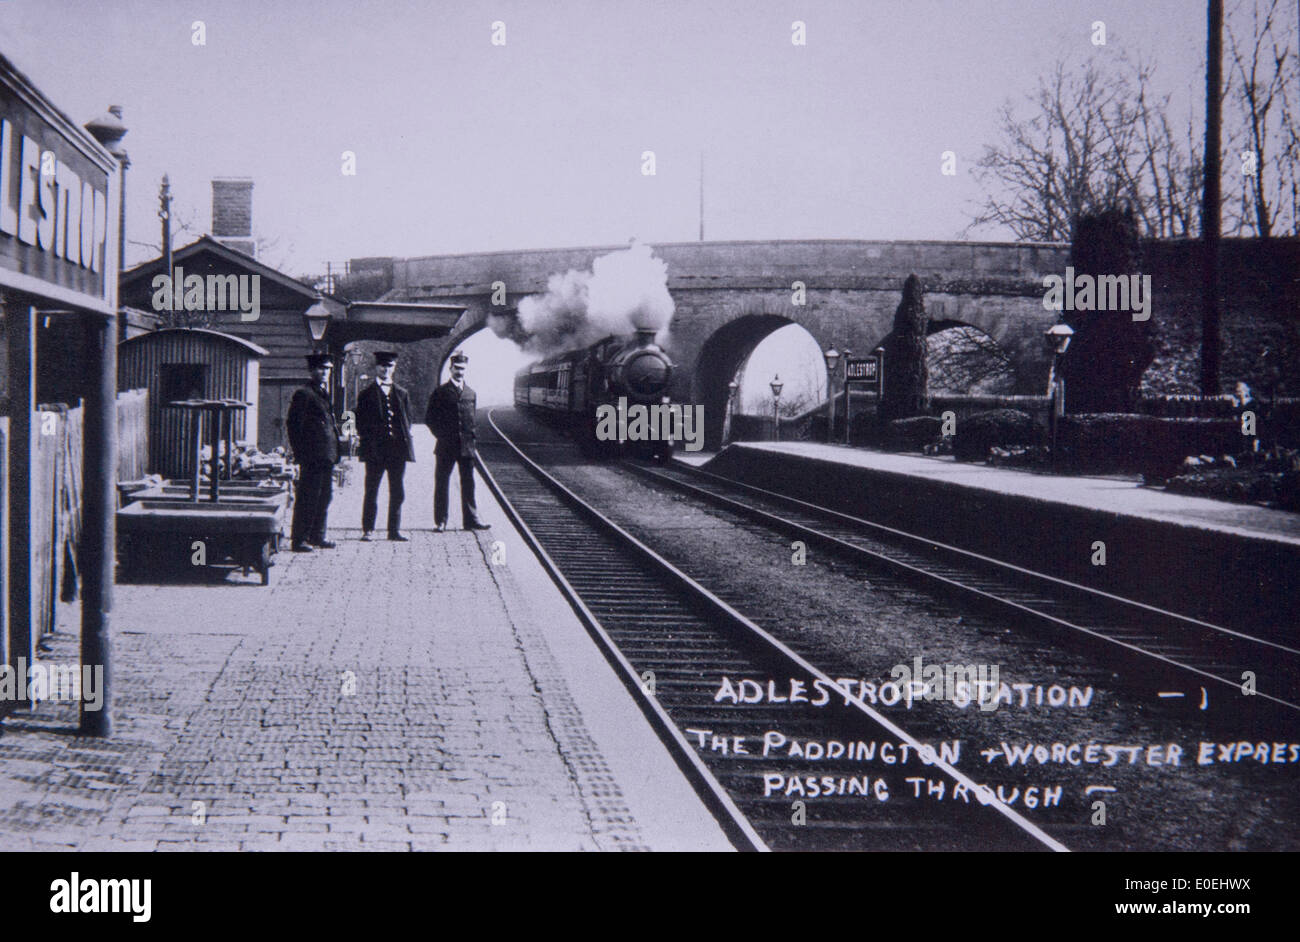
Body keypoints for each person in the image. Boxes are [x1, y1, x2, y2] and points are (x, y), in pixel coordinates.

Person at [425, 350, 490, 531]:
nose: (460, 372)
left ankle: (471, 520)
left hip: (467, 447)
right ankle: (441, 521)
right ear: (451, 369)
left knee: (469, 484)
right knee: (442, 483)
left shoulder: (471, 393)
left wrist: (472, 439)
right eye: (457, 368)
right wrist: (442, 436)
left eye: (462, 368)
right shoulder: (440, 392)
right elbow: (429, 419)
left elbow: (472, 419)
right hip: (445, 446)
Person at [355, 350, 415, 541]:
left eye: (389, 366)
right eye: (382, 366)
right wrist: (368, 440)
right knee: (371, 490)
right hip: (375, 451)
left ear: (394, 368)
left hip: (397, 451)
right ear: (376, 367)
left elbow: (408, 419)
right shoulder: (365, 394)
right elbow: (358, 421)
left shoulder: (402, 393)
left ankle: (394, 530)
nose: (385, 369)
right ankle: (368, 529)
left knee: (397, 491)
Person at [286, 352, 341, 551]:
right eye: (320, 369)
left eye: (327, 369)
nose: (324, 373)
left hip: (326, 455)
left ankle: (317, 536)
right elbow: (294, 426)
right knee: (308, 497)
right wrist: (300, 453)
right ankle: (299, 539)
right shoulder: (304, 394)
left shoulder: (322, 393)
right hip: (312, 456)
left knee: (324, 496)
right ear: (311, 371)